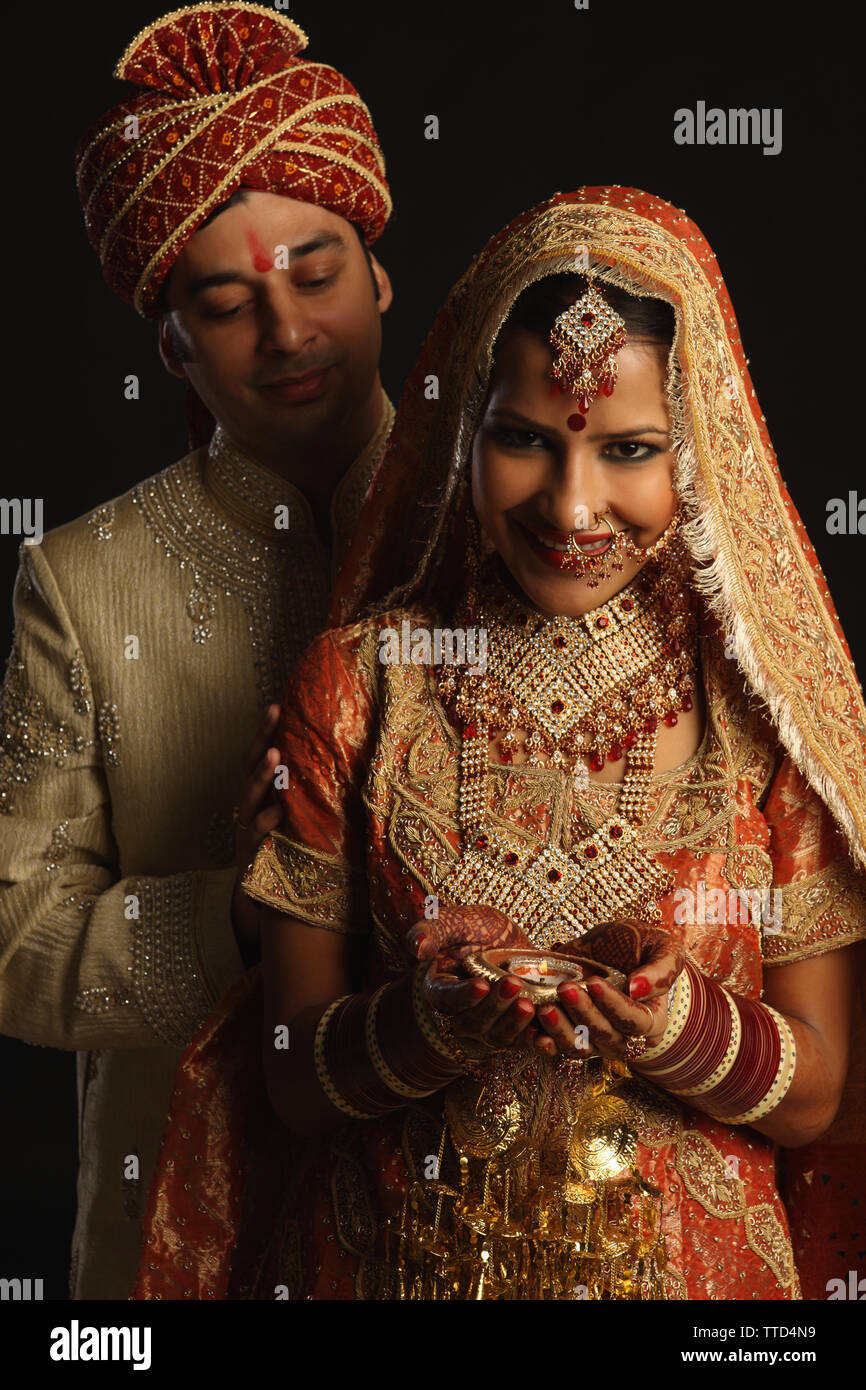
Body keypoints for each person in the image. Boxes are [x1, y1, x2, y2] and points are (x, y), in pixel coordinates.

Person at [133, 186, 866, 1301]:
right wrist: (430, 1028)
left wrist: (668, 1021)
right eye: (523, 439)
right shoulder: (361, 682)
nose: (573, 507)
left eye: (628, 449)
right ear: (460, 431)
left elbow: (816, 1092)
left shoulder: (760, 711)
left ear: (698, 453)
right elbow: (288, 1076)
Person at [0, 2, 394, 1300]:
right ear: (172, 339)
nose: (284, 332)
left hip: (470, 1207)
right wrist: (246, 908)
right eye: (226, 303)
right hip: (182, 1246)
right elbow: (19, 944)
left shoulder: (526, 518)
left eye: (317, 274)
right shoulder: (82, 580)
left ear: (381, 272)